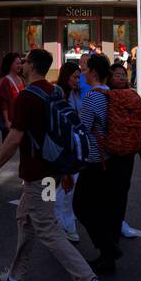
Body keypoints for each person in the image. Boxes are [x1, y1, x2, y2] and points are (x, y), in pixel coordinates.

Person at [0, 48, 104, 281]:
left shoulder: (27, 96)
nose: (21, 64)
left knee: (46, 227)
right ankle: (16, 274)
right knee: (25, 218)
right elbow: (61, 134)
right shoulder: (54, 92)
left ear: (32, 65)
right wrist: (68, 172)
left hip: (39, 173)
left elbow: (13, 139)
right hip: (54, 170)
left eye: (24, 61)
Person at [73, 52, 119, 273]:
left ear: (93, 72)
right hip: (108, 158)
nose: (82, 71)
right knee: (100, 207)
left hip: (94, 159)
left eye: (85, 68)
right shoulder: (109, 93)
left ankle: (108, 248)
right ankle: (107, 255)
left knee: (81, 206)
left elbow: (83, 127)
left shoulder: (92, 96)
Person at [106, 63, 141, 242]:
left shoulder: (131, 95)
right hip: (111, 150)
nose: (121, 78)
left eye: (123, 74)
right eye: (117, 75)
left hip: (129, 149)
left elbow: (138, 124)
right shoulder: (104, 96)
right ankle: (111, 221)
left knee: (123, 187)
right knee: (111, 188)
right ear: (109, 77)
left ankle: (119, 221)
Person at [53, 61, 82, 242]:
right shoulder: (59, 93)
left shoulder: (75, 93)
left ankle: (63, 222)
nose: (77, 81)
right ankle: (62, 224)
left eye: (79, 77)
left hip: (74, 146)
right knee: (61, 187)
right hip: (62, 147)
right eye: (74, 77)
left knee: (68, 187)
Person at [0, 52, 25, 133]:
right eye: (17, 63)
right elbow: (3, 103)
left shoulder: (21, 79)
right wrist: (6, 121)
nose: (20, 66)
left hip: (20, 119)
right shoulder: (5, 81)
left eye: (20, 63)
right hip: (10, 121)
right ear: (10, 64)